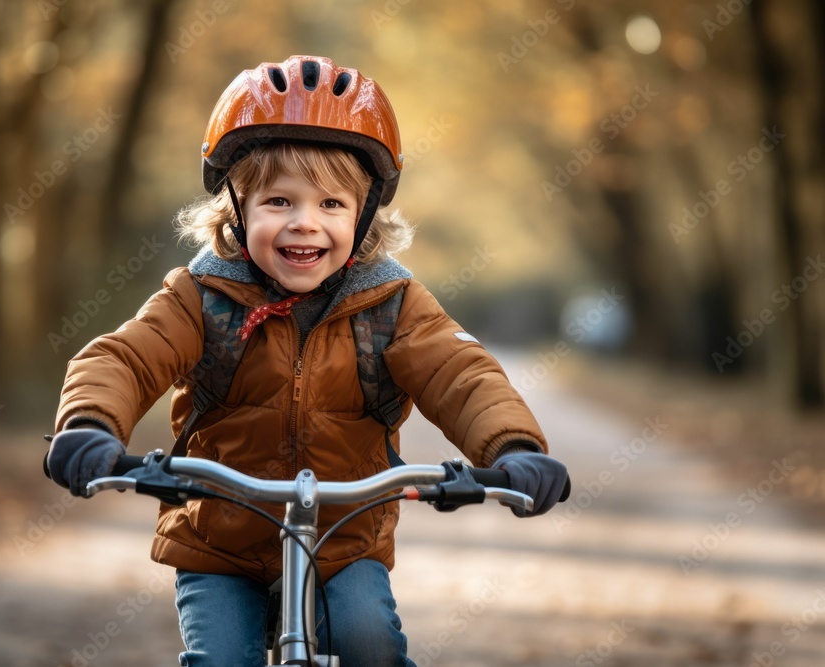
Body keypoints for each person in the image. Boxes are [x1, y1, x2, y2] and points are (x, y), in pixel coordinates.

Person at [46, 55, 568, 667]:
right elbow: (125, 359)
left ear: (365, 213)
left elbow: (463, 375)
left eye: (331, 204)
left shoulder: (391, 303)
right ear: (236, 211)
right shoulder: (200, 297)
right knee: (219, 660)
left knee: (371, 642)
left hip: (344, 540)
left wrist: (512, 449)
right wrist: (90, 425)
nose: (304, 223)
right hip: (221, 542)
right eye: (277, 201)